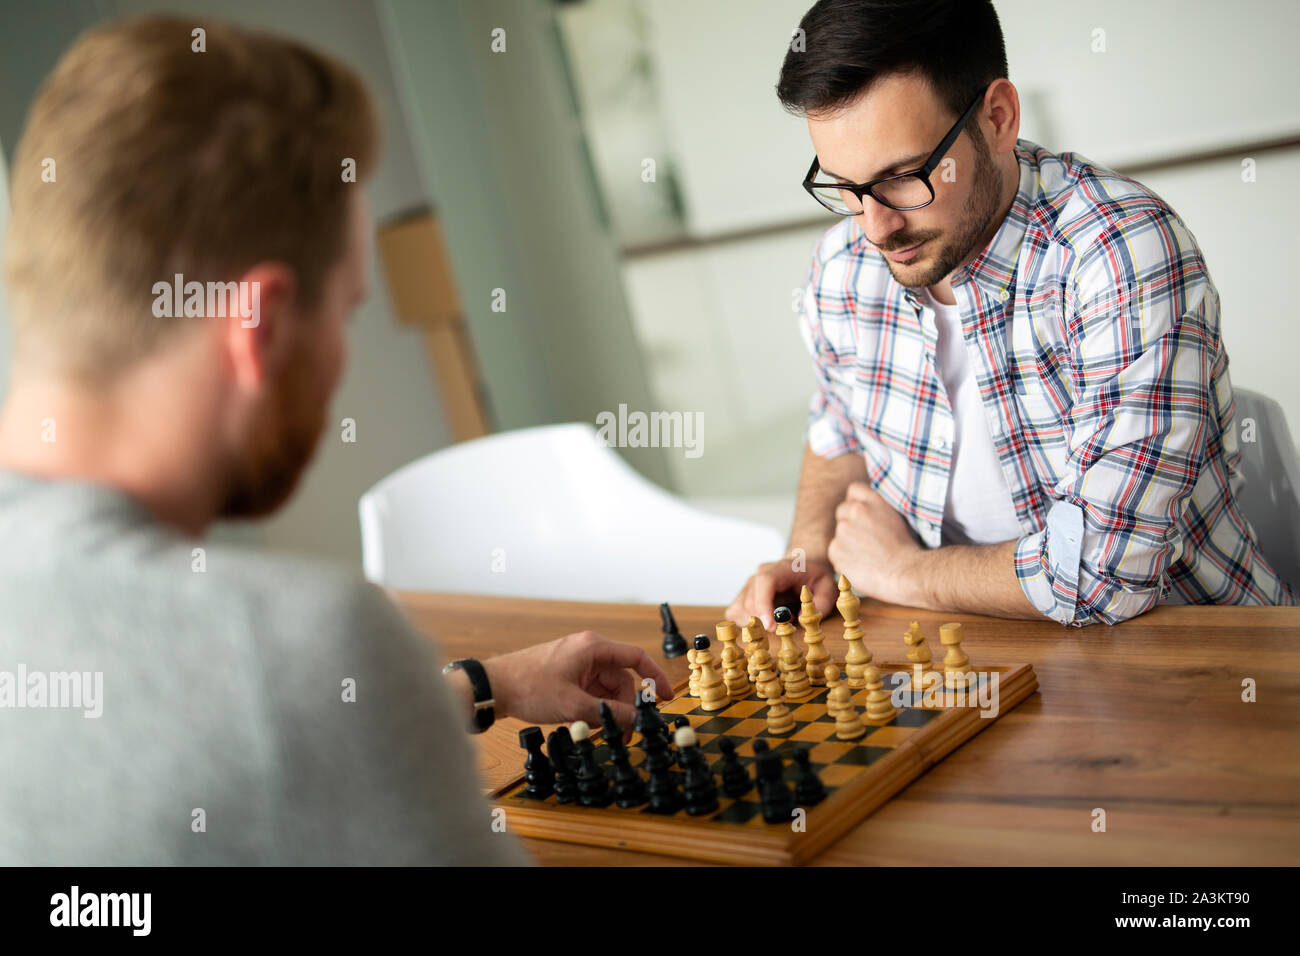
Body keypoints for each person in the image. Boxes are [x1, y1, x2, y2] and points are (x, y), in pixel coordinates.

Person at [0, 16, 668, 865]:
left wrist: (482, 686)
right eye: (347, 311)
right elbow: (266, 707)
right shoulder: (294, 647)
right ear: (263, 325)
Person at [728, 0, 1295, 630]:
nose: (877, 227)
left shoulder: (1118, 252)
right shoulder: (843, 266)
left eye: (902, 177)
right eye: (844, 186)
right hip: (965, 649)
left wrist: (902, 572)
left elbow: (1102, 578)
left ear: (997, 118)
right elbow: (839, 433)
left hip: (1194, 661)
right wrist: (807, 555)